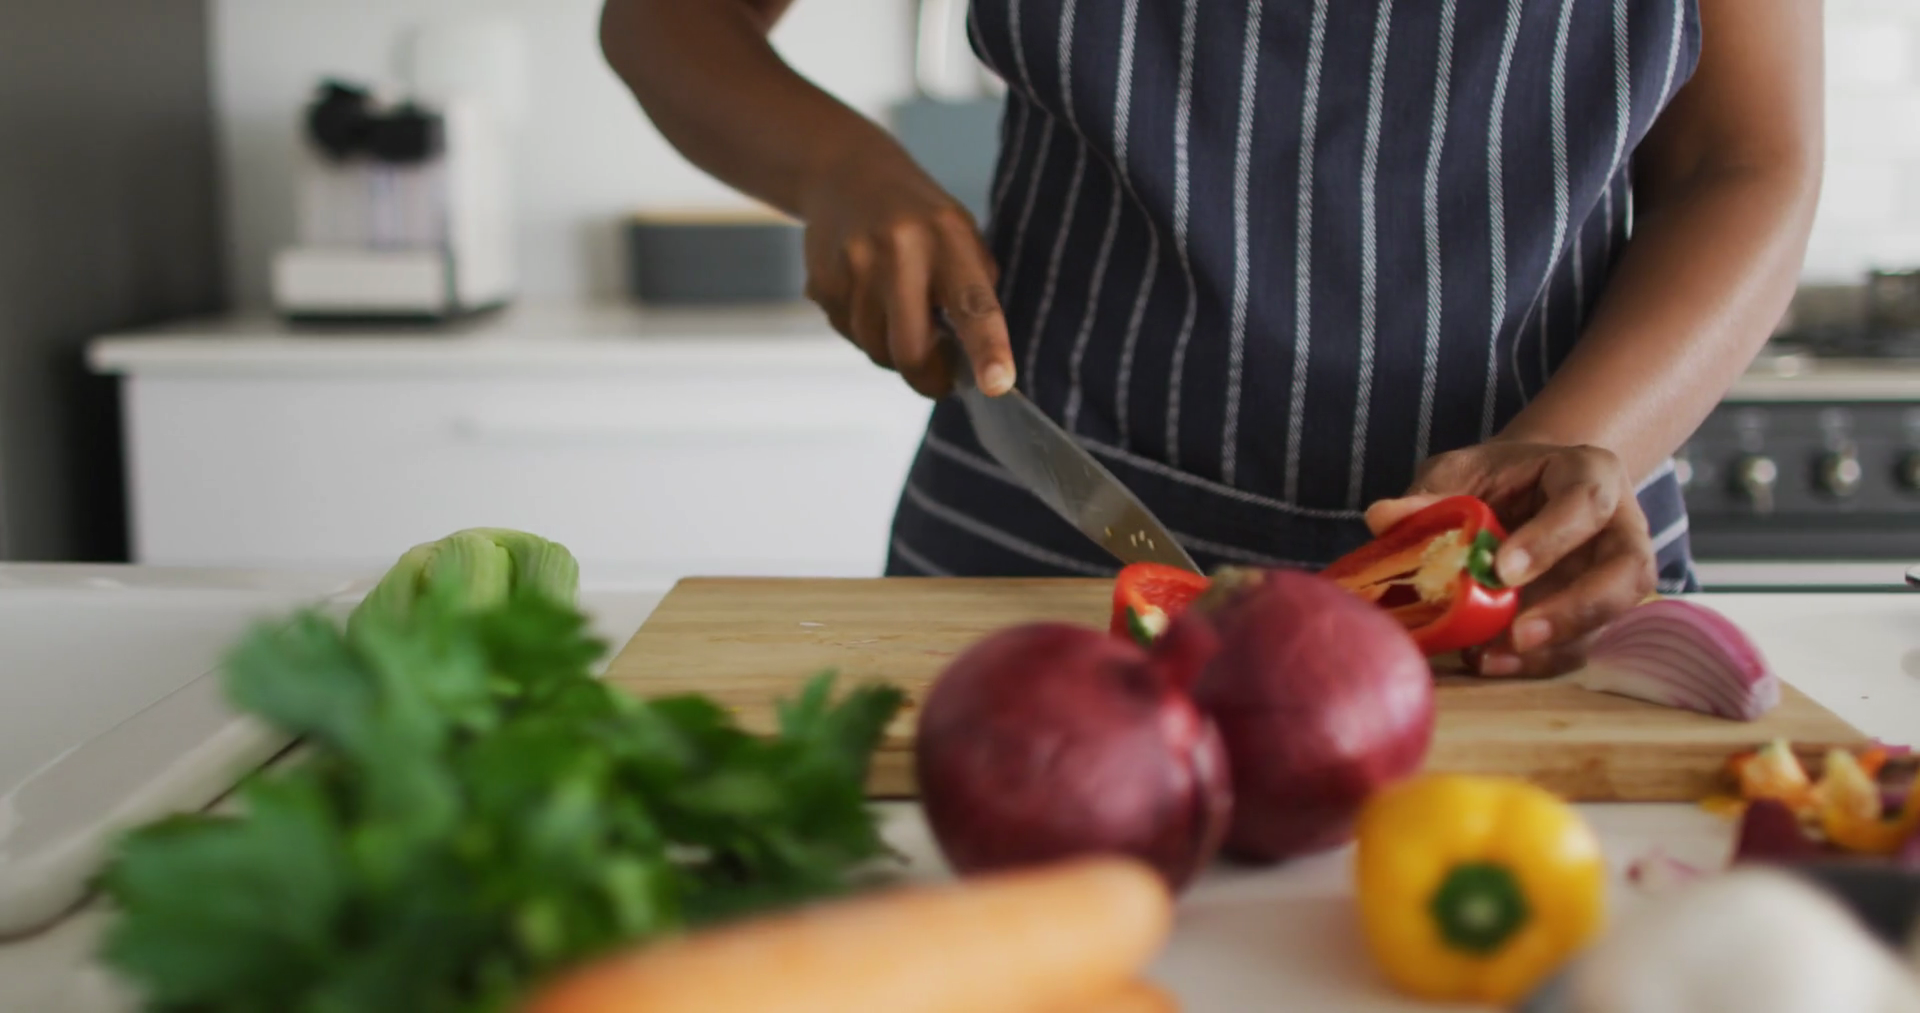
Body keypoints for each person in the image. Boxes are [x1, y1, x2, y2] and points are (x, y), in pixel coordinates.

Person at [600, 0, 1822, 676]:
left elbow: (1746, 158)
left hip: (1529, 594)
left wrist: (1574, 439)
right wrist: (841, 169)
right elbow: (667, 21)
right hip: (1038, 556)